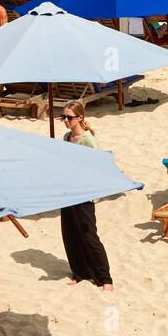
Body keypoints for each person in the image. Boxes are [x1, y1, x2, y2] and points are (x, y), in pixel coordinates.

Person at [59, 102, 113, 290]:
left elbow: (98, 168)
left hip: (85, 194)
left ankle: (105, 279)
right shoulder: (66, 137)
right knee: (70, 233)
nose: (65, 120)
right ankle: (79, 272)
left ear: (80, 118)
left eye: (69, 117)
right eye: (63, 117)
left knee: (89, 235)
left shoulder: (88, 141)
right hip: (67, 192)